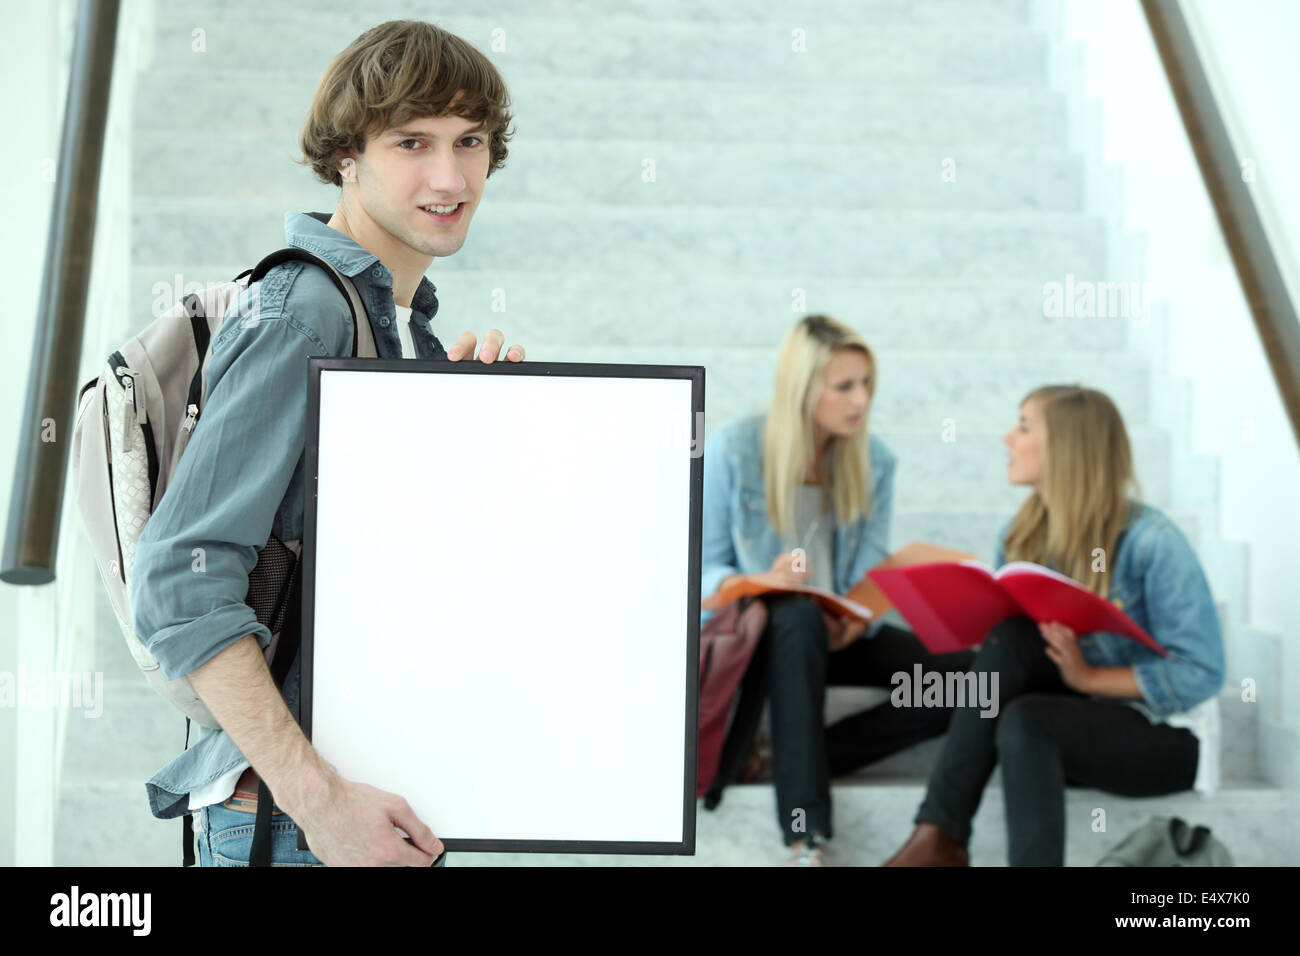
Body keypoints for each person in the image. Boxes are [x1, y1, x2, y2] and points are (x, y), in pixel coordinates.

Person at [129, 20, 524, 867]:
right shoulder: (306, 313)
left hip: (358, 813)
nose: (450, 177)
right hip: (296, 822)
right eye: (412, 142)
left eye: (471, 142)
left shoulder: (393, 329)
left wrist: (469, 436)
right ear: (347, 154)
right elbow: (179, 575)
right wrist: (319, 805)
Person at [884, 385, 1225, 867]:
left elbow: (1201, 674)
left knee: (1021, 712)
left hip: (1164, 739)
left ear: (1067, 446)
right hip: (1063, 726)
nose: (1006, 438)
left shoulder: (1153, 542)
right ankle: (939, 834)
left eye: (1023, 427)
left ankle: (938, 835)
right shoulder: (1023, 535)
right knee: (1014, 676)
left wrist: (1088, 678)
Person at [701, 314, 976, 866]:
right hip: (766, 637)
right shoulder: (736, 448)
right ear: (804, 388)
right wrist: (762, 582)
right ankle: (808, 841)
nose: (861, 400)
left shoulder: (874, 461)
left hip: (835, 632)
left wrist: (857, 619)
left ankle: (790, 754)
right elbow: (703, 574)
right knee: (795, 617)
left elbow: (868, 567)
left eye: (867, 384)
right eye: (845, 386)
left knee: (969, 682)